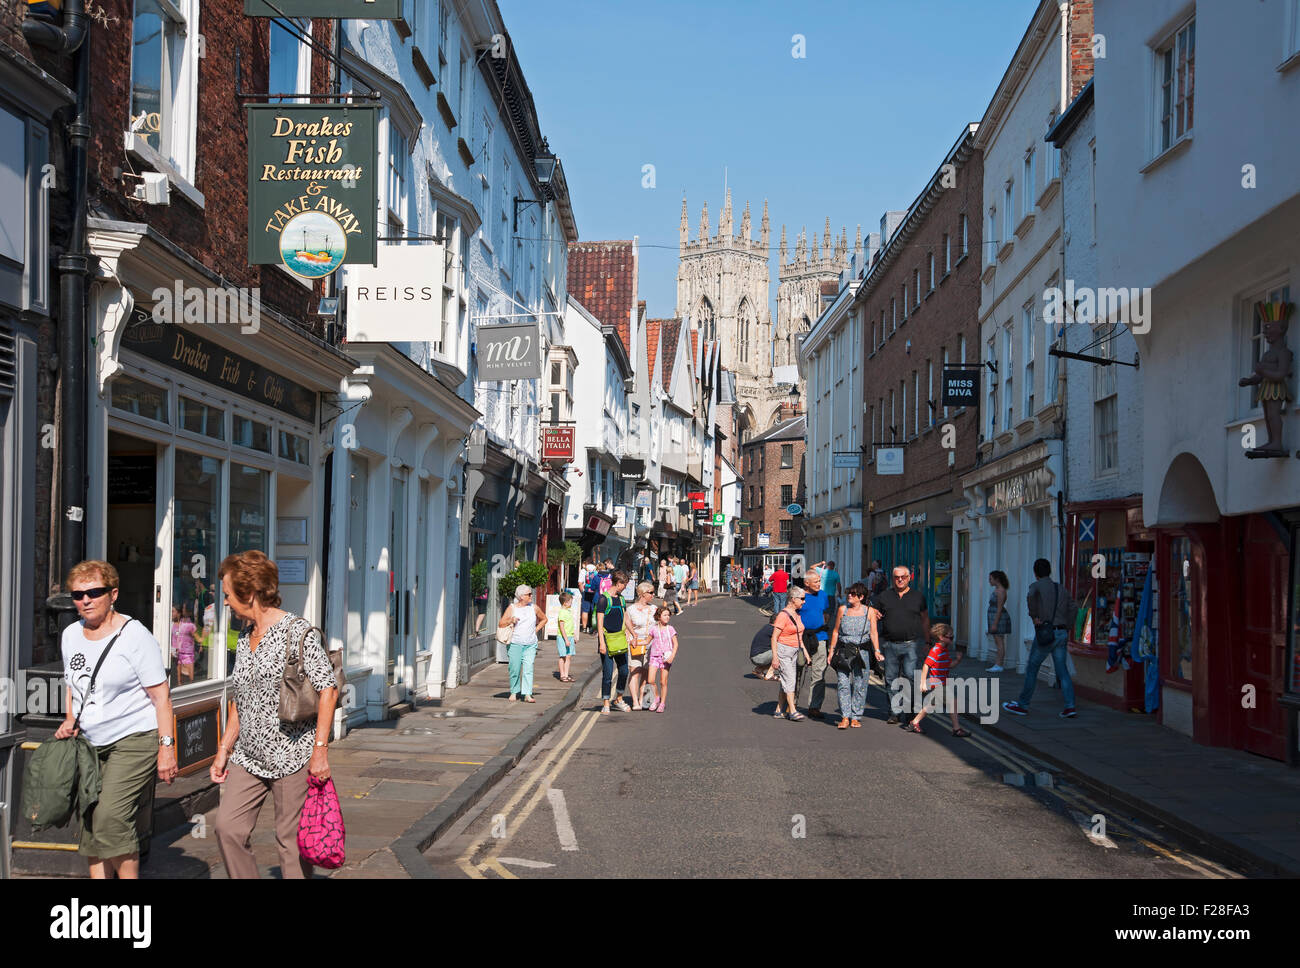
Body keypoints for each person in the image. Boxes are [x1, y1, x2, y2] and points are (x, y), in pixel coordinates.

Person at [212, 550, 336, 879]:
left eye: (227, 594)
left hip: (292, 754)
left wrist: (320, 751)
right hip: (248, 756)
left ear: (249, 593)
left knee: (290, 843)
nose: (224, 601)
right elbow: (241, 696)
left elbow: (328, 689)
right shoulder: (243, 637)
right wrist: (224, 748)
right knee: (228, 829)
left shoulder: (298, 632)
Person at [58, 560, 177, 878]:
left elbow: (161, 697)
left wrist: (167, 748)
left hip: (134, 739)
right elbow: (73, 683)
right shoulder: (71, 635)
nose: (86, 600)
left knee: (111, 816)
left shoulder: (135, 636)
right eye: (78, 595)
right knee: (92, 816)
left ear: (113, 594)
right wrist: (70, 718)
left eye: (94, 592)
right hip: (89, 743)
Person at [1003, 559, 1078, 719]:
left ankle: (1022, 705)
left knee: (1032, 668)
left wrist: (1034, 616)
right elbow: (1073, 607)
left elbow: (1030, 597)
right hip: (1061, 633)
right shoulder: (1061, 588)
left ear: (1035, 573)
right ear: (1049, 571)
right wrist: (1067, 626)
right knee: (1062, 671)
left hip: (1046, 633)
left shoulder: (1035, 586)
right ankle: (1070, 706)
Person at [870, 565, 930, 725]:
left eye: (903, 576)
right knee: (891, 679)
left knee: (910, 678)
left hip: (911, 644)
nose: (900, 579)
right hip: (889, 645)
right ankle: (894, 712)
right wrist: (874, 613)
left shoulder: (918, 597)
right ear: (893, 578)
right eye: (897, 577)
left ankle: (910, 713)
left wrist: (928, 641)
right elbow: (874, 616)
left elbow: (925, 619)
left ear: (909, 577)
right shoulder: (884, 596)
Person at [904, 624, 970, 737]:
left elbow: (949, 665)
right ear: (941, 637)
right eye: (950, 637)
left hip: (942, 683)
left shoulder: (944, 650)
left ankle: (914, 722)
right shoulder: (936, 650)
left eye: (952, 637)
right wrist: (923, 683)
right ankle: (956, 728)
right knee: (952, 702)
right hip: (938, 683)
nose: (952, 639)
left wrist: (958, 661)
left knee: (932, 705)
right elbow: (926, 665)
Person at [828, 582, 872, 729]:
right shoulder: (842, 610)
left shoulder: (869, 612)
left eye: (853, 594)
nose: (849, 596)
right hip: (844, 651)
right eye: (848, 593)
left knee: (860, 684)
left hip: (862, 652)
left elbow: (874, 633)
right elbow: (835, 631)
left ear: (861, 597)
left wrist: (877, 652)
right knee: (843, 684)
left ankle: (856, 716)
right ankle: (845, 717)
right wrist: (831, 651)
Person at [499, 585, 546, 702]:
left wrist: (535, 630)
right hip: (515, 643)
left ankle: (527, 694)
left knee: (528, 669)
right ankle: (514, 691)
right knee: (514, 669)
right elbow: (501, 623)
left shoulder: (534, 607)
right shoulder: (512, 608)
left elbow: (544, 619)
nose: (531, 596)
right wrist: (511, 620)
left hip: (530, 644)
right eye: (528, 594)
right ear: (521, 597)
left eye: (531, 594)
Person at [771, 586, 812, 720]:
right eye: (802, 599)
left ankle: (778, 710)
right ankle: (793, 711)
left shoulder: (797, 614)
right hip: (784, 650)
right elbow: (774, 637)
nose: (804, 601)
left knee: (787, 680)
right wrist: (775, 658)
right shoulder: (783, 615)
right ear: (793, 599)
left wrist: (805, 653)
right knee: (790, 680)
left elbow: (799, 637)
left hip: (796, 650)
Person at [797, 569, 833, 719]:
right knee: (797, 671)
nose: (819, 584)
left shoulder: (823, 595)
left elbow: (826, 613)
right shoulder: (799, 595)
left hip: (820, 637)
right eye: (816, 582)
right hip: (801, 638)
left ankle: (814, 707)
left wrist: (823, 625)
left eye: (819, 581)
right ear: (807, 583)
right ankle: (791, 704)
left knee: (819, 673)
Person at [596, 571, 632, 714]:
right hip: (607, 639)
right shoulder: (603, 599)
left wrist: (633, 634)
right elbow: (599, 623)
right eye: (625, 585)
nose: (625, 588)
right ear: (618, 583)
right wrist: (601, 643)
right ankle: (606, 702)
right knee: (608, 673)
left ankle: (619, 698)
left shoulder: (622, 599)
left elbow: (626, 618)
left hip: (620, 639)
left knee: (623, 671)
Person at [626, 581, 658, 709]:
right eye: (651, 593)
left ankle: (642, 699)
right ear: (643, 594)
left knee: (645, 673)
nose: (653, 595)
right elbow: (627, 627)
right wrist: (631, 638)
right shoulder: (631, 609)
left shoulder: (654, 609)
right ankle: (634, 701)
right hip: (636, 643)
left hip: (650, 644)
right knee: (635, 671)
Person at [647, 606, 680, 712]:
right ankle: (657, 698)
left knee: (663, 681)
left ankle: (662, 703)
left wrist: (672, 657)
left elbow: (676, 644)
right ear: (658, 616)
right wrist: (634, 641)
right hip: (654, 657)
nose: (667, 617)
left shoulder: (670, 629)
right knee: (650, 680)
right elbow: (647, 641)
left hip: (666, 658)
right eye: (664, 615)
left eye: (668, 615)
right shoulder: (653, 629)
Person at [986, 570, 1011, 672]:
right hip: (994, 616)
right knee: (998, 641)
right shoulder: (997, 590)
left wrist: (995, 623)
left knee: (999, 641)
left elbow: (1000, 608)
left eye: (990, 579)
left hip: (998, 618)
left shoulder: (1001, 591)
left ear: (996, 579)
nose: (989, 581)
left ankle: (999, 664)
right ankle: (998, 664)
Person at [170, 604, 199, 684]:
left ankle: (191, 687)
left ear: (179, 613)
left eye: (173, 611)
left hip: (187, 652)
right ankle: (179, 683)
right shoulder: (170, 624)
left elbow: (193, 635)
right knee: (178, 673)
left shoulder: (186, 623)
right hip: (175, 652)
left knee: (190, 676)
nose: (171, 613)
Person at [555, 591, 578, 683]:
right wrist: (566, 640)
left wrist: (574, 636)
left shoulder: (568, 611)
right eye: (570, 602)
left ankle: (566, 674)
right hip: (563, 637)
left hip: (570, 636)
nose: (571, 603)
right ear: (565, 603)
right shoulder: (562, 612)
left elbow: (571, 625)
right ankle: (562, 675)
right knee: (563, 656)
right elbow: (562, 627)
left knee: (568, 656)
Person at [749, 613, 779, 680]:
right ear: (777, 621)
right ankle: (770, 674)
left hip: (756, 656)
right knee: (782, 651)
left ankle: (758, 670)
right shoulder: (772, 630)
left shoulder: (767, 627)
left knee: (776, 651)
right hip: (759, 657)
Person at [580, 563, 599, 634]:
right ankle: (593, 627)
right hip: (594, 593)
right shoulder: (596, 573)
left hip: (586, 592)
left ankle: (584, 628)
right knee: (594, 610)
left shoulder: (584, 571)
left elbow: (580, 583)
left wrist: (582, 592)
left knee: (585, 610)